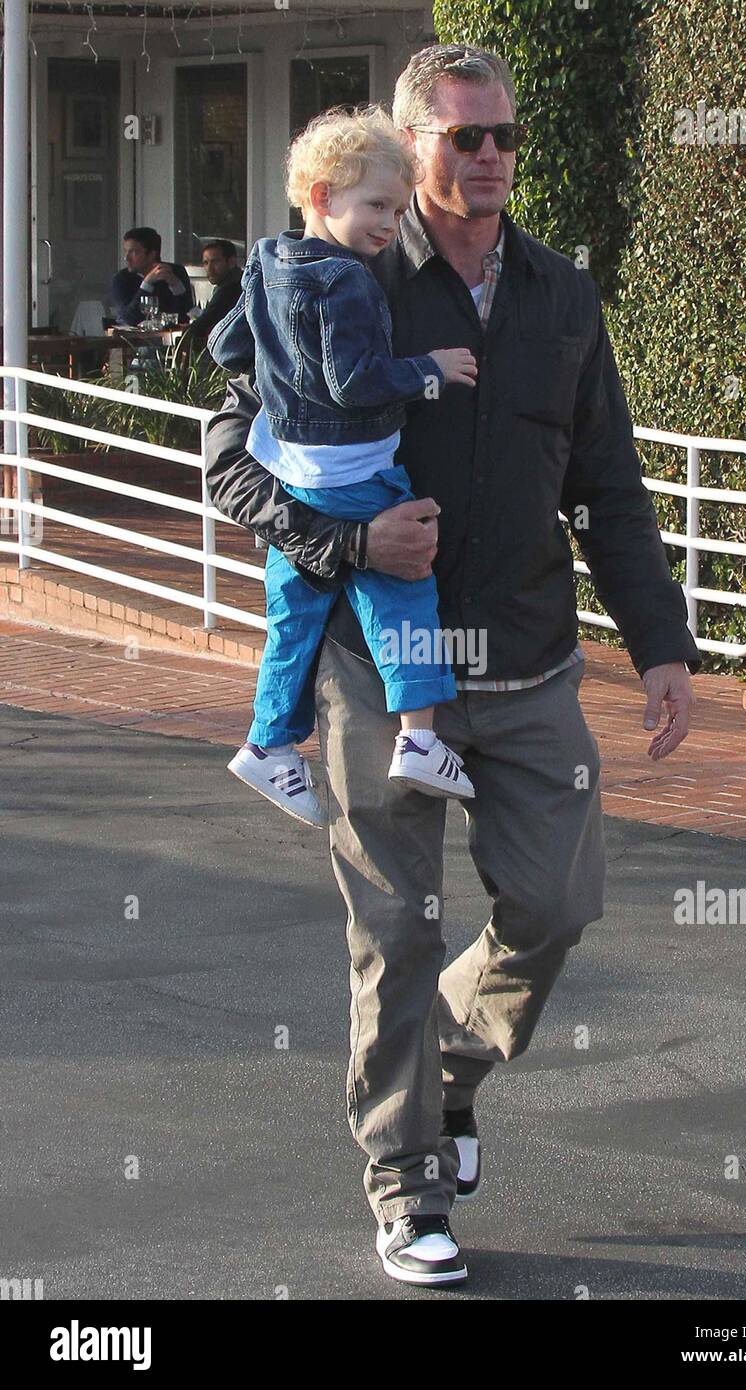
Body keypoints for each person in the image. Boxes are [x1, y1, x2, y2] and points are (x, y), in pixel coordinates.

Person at [205, 43, 701, 1289]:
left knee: (554, 907)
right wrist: (349, 537)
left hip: (530, 657)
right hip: (387, 662)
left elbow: (607, 487)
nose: (489, 159)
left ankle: (451, 1068)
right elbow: (229, 464)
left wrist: (660, 649)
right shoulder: (342, 275)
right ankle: (407, 1182)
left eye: (504, 139)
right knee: (395, 931)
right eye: (463, 138)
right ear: (413, 145)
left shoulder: (557, 295)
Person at [208, 107, 479, 827]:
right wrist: (429, 370)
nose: (389, 224)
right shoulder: (351, 281)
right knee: (403, 587)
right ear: (324, 197)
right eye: (377, 207)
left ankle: (267, 743)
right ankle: (420, 736)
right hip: (357, 466)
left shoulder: (267, 259)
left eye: (396, 208)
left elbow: (230, 347)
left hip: (292, 467)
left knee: (292, 613)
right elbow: (355, 382)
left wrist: (280, 375)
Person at [110, 226, 193, 327]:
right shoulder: (121, 279)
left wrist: (176, 285)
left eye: (133, 252)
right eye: (125, 251)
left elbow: (187, 315)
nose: (126, 258)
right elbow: (129, 319)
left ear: (151, 255)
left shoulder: (176, 272)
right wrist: (147, 283)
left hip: (169, 339)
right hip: (131, 340)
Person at [186, 240, 243, 350]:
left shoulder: (231, 288)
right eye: (206, 263)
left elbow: (203, 324)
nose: (210, 269)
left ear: (231, 262)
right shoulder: (232, 282)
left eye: (216, 262)